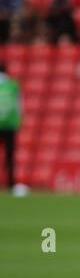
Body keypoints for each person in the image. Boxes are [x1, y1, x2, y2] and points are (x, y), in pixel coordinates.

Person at [0, 61, 19, 191]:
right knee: (10, 156)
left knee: (9, 156)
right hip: (10, 125)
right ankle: (11, 183)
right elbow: (19, 105)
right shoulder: (12, 85)